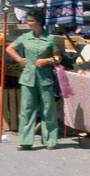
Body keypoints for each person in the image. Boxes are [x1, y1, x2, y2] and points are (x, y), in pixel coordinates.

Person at [7, 10, 60, 152]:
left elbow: (58, 58)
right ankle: (25, 141)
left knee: (48, 110)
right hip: (28, 78)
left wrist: (47, 60)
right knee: (26, 109)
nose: (28, 23)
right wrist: (19, 59)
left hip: (45, 78)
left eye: (30, 20)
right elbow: (10, 48)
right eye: (28, 20)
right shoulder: (25, 37)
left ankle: (50, 140)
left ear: (38, 21)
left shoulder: (50, 39)